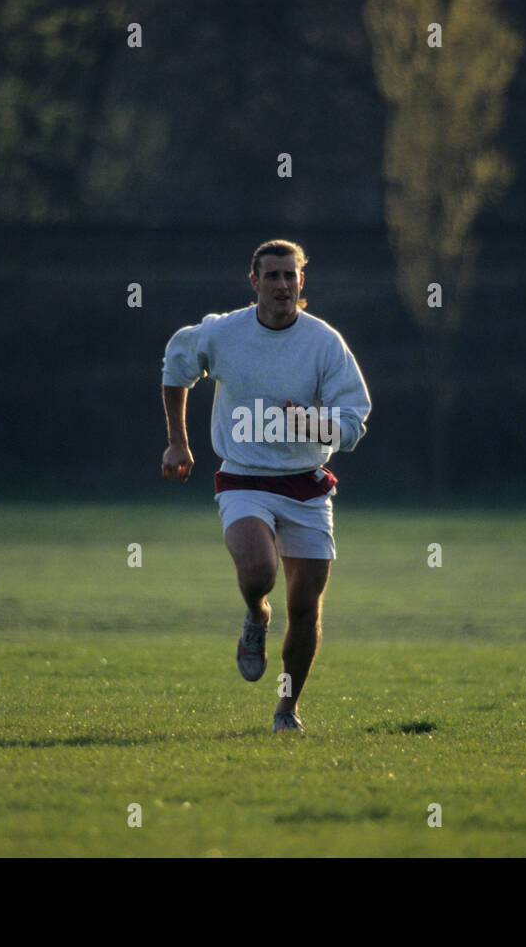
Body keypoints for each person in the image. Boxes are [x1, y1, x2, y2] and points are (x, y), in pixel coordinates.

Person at [160, 239, 372, 732]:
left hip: (306, 486)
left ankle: (286, 709)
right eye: (271, 275)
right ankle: (256, 615)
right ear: (253, 282)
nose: (281, 284)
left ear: (303, 282)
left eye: (289, 275)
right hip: (244, 478)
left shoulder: (324, 343)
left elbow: (353, 421)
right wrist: (178, 443)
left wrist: (311, 426)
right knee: (259, 571)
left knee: (304, 608)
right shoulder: (224, 333)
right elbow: (176, 364)